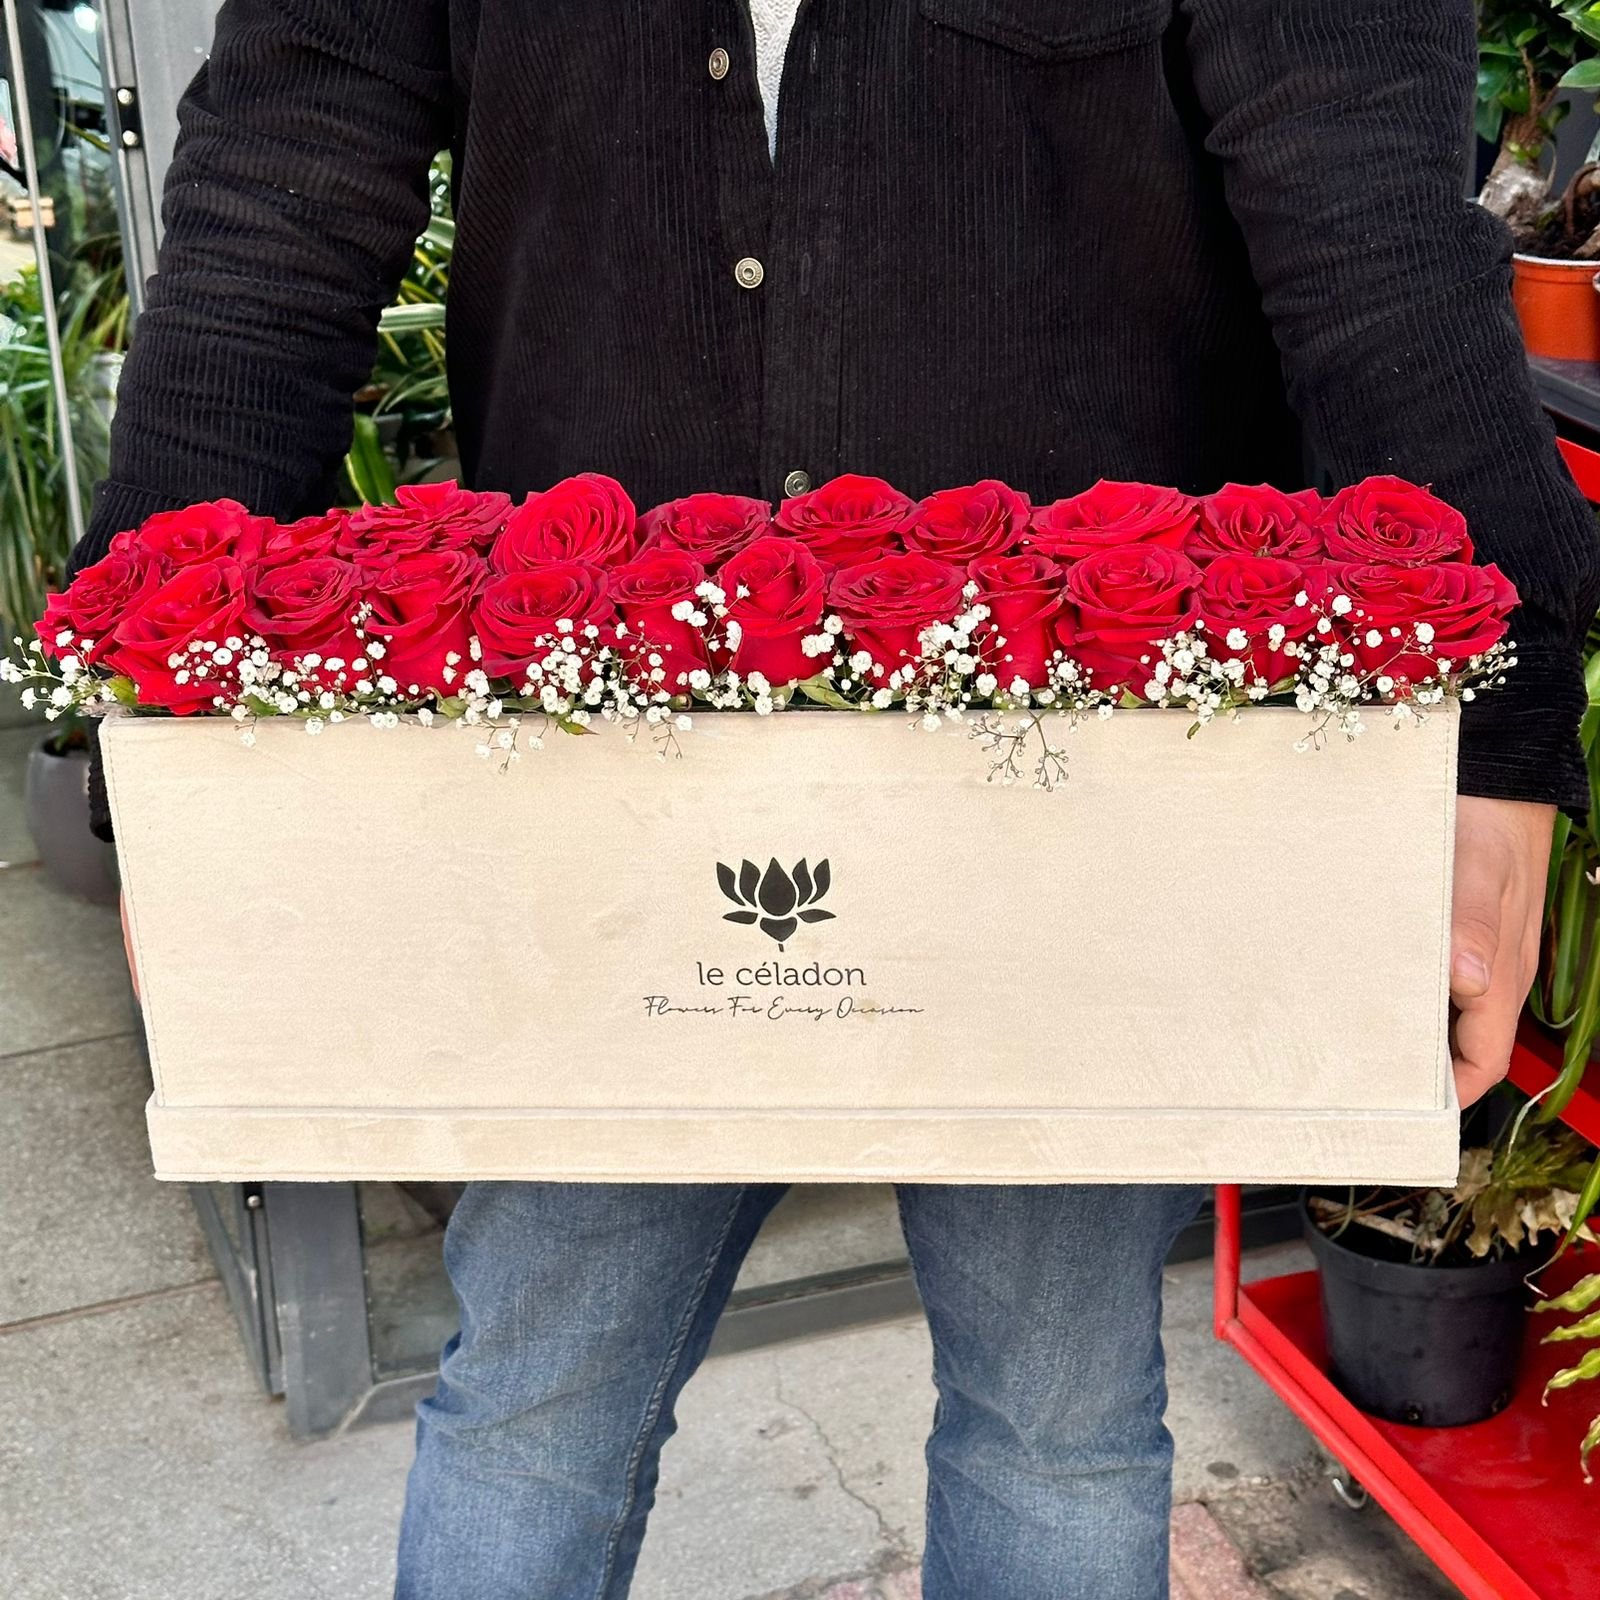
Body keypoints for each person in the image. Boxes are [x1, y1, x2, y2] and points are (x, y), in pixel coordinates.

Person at [71, 1, 1600, 1595]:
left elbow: (1357, 199)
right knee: (540, 1391)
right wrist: (164, 734)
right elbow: (285, 185)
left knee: (1057, 1416)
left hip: (1081, 778)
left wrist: (1489, 728)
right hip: (598, 780)